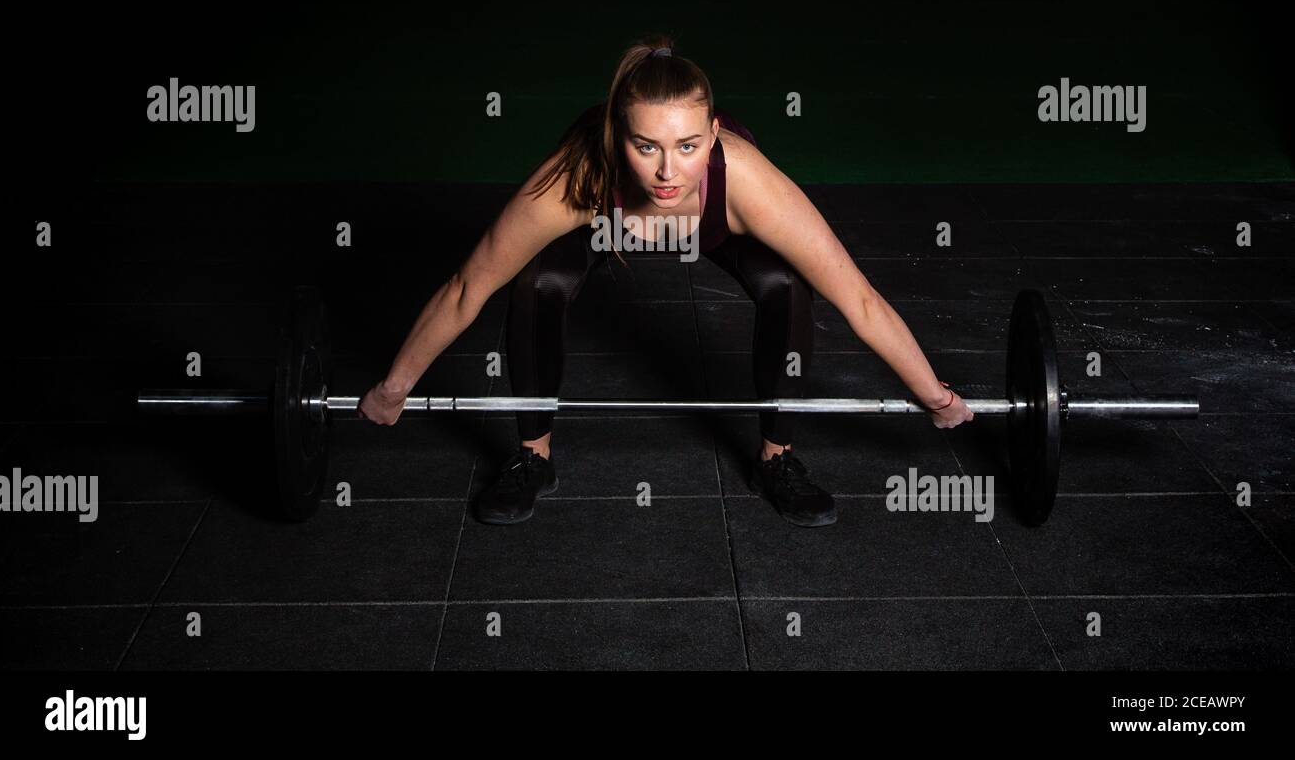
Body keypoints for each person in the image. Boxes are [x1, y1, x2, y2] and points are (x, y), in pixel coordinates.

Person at [358, 36, 973, 527]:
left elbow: (858, 299)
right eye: (645, 145)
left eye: (686, 146)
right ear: (616, 136)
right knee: (534, 284)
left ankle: (777, 459)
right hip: (605, 224)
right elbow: (469, 286)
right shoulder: (576, 177)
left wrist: (936, 396)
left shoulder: (747, 180)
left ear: (712, 136)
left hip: (716, 228)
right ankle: (532, 456)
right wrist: (393, 388)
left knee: (787, 289)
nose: (666, 171)